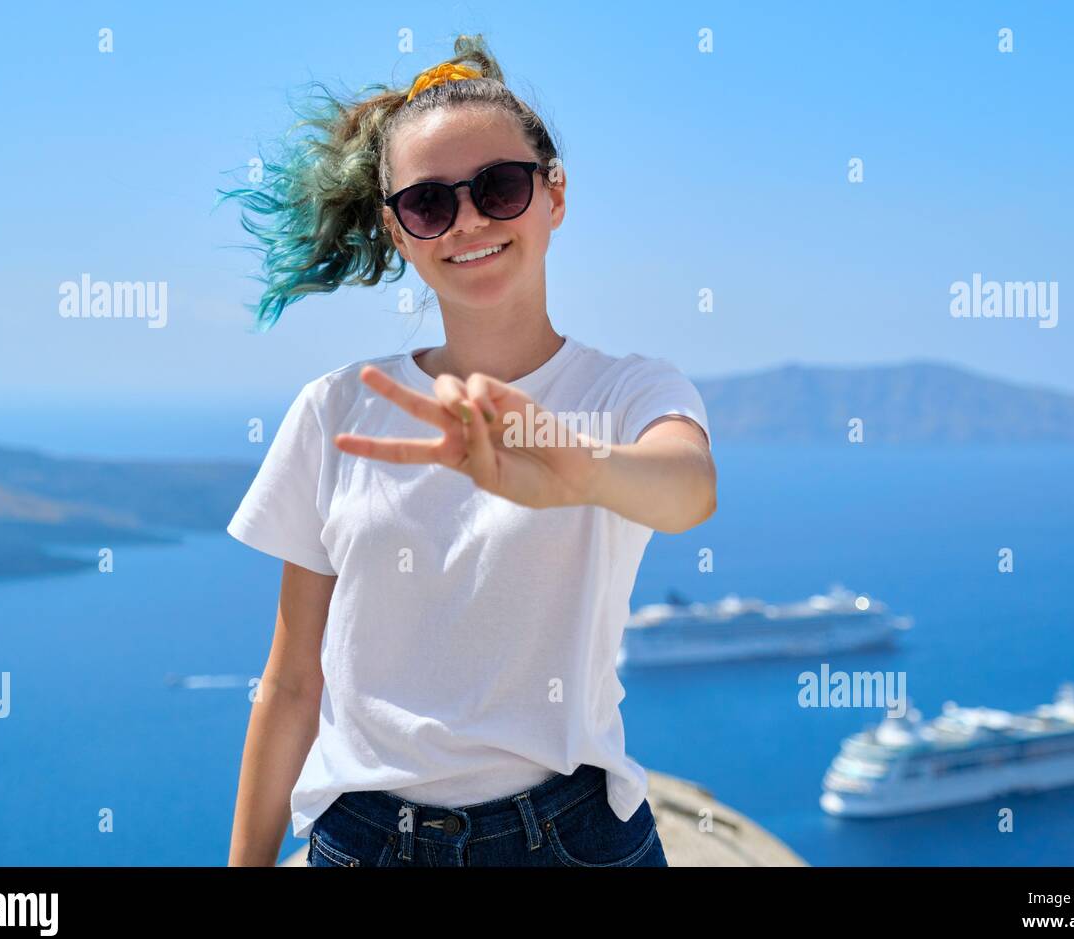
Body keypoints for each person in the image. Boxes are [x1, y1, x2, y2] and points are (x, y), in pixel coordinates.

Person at [219, 33, 716, 867]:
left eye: (501, 186)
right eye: (429, 204)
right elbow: (292, 684)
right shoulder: (339, 409)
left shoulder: (630, 393)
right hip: (364, 844)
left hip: (574, 841)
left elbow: (687, 489)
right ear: (399, 231)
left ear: (555, 196)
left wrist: (578, 467)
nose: (471, 221)